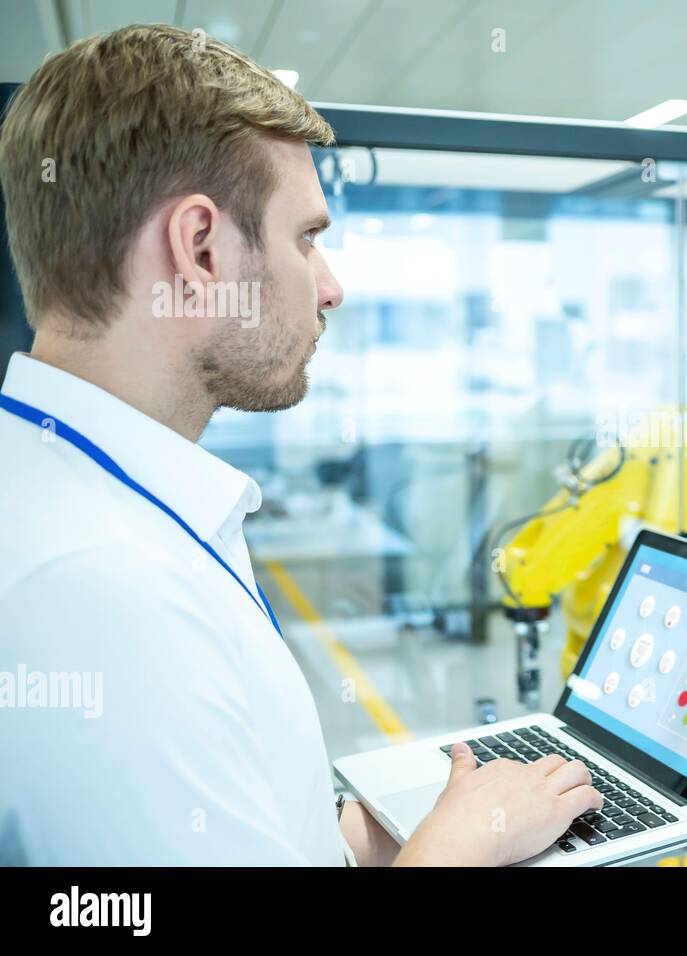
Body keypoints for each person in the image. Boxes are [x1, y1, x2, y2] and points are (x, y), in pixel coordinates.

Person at [0, 23, 601, 866]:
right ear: (199, 246)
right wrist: (462, 849)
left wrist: (396, 827)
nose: (330, 287)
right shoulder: (101, 588)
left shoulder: (61, 490)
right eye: (306, 238)